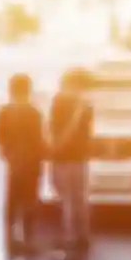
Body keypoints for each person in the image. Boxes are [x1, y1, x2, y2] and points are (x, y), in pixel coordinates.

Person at [0, 74, 45, 254]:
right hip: (31, 163)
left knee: (12, 201)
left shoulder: (4, 112)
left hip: (14, 162)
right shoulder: (34, 112)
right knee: (29, 201)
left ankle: (10, 239)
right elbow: (40, 141)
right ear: (29, 90)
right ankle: (28, 240)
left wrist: (9, 156)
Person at [49, 68, 94, 250]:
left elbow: (53, 129)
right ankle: (83, 236)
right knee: (80, 198)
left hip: (62, 156)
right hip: (80, 157)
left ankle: (69, 237)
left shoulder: (59, 102)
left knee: (67, 198)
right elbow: (88, 134)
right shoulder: (86, 106)